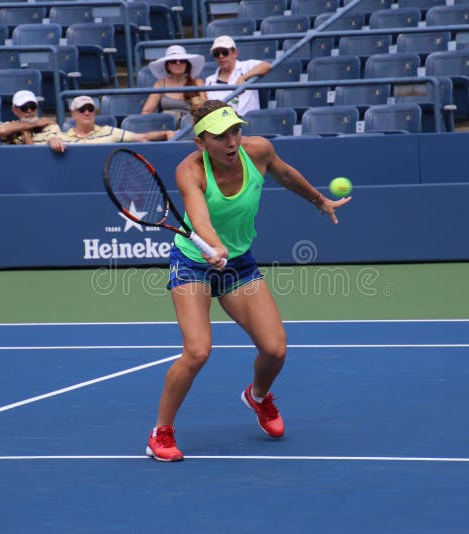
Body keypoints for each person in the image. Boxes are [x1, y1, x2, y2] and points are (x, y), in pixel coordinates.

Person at [145, 100, 351, 462]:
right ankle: (160, 433)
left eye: (236, 131)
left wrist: (320, 200)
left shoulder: (258, 151)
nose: (232, 141)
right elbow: (199, 217)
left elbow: (285, 175)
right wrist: (213, 245)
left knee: (274, 349)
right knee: (197, 351)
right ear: (201, 143)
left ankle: (257, 398)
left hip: (239, 264)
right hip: (194, 263)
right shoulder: (189, 170)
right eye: (221, 135)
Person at [48, 96, 174, 152]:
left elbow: (143, 137)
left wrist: (165, 132)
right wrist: (51, 140)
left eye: (90, 109)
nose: (87, 113)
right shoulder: (62, 138)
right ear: (73, 114)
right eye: (82, 110)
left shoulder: (109, 131)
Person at [204, 35, 272, 117]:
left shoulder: (247, 66)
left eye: (225, 52)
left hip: (248, 123)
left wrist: (243, 77)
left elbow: (266, 66)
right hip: (224, 125)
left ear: (235, 53)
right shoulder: (210, 81)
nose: (221, 56)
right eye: (216, 54)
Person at [142, 45, 207, 128]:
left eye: (182, 60)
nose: (178, 63)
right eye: (173, 61)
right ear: (167, 65)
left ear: (186, 64)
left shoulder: (197, 83)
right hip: (166, 127)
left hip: (190, 127)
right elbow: (147, 111)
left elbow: (205, 108)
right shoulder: (161, 84)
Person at [0, 90, 65, 152]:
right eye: (24, 107)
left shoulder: (49, 126)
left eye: (33, 107)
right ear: (14, 110)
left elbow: (34, 153)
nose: (29, 111)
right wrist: (31, 125)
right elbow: (2, 131)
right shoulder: (10, 126)